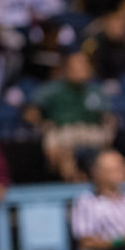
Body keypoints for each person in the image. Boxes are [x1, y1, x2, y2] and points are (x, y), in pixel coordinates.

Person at [28, 51, 115, 182]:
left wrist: (109, 125)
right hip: (63, 130)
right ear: (66, 69)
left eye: (84, 66)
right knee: (58, 146)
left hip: (90, 131)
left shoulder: (96, 91)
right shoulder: (52, 89)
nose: (80, 70)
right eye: (75, 66)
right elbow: (30, 113)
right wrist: (43, 122)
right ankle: (74, 181)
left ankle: (104, 179)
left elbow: (108, 117)